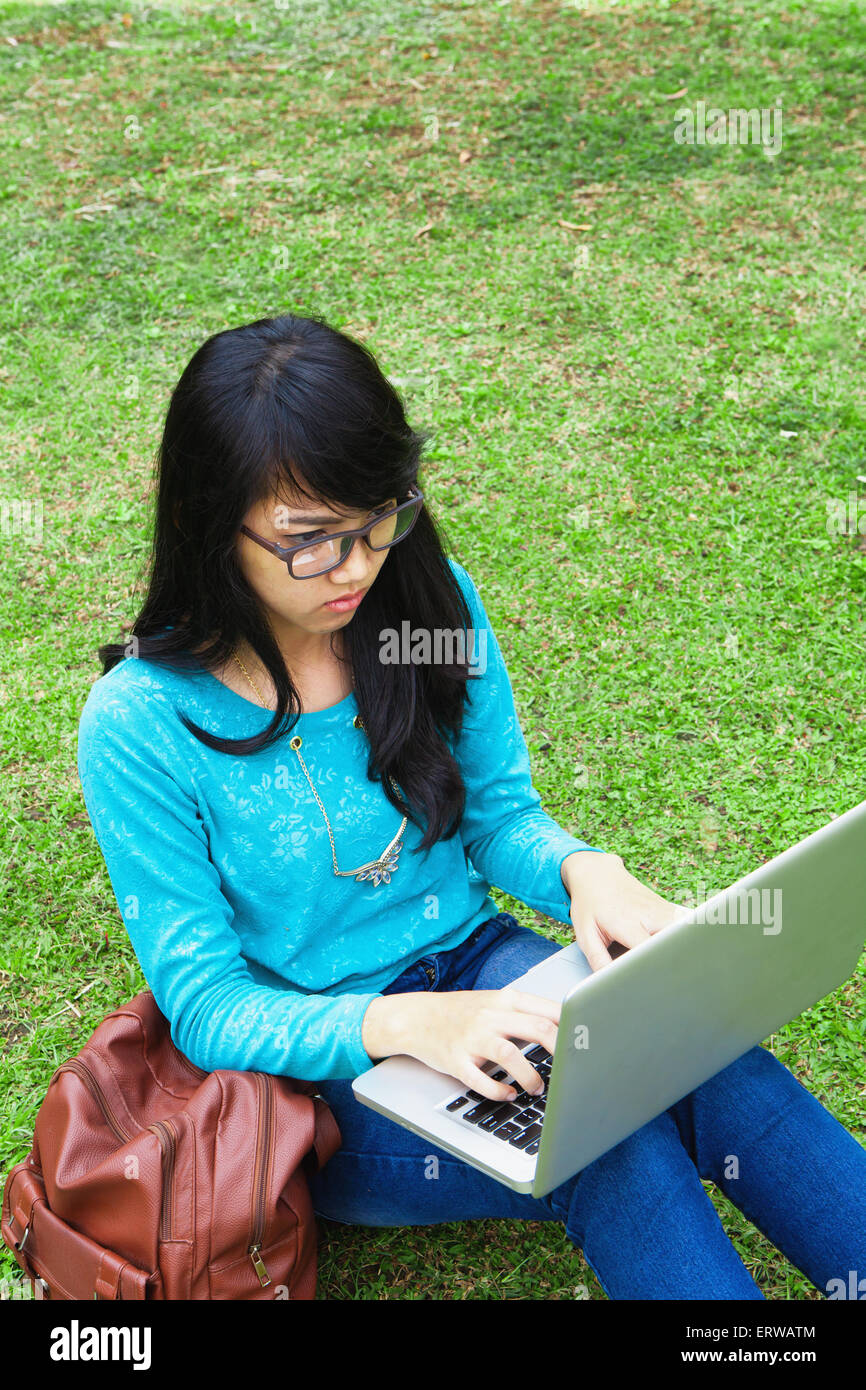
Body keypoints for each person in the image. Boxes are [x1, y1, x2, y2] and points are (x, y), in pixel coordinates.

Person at [77, 312, 866, 1300]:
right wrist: (412, 1025)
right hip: (328, 1077)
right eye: (310, 543)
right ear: (207, 522)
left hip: (482, 965)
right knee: (602, 1137)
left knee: (701, 1052)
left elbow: (494, 820)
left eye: (375, 522)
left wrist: (583, 867)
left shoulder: (423, 606)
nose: (358, 566)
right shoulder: (141, 724)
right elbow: (208, 1008)